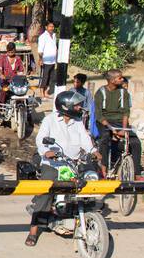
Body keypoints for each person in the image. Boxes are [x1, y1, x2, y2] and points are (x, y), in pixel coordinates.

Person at [25, 91, 99, 245]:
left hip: (72, 164)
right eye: (77, 105)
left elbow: (85, 140)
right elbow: (41, 139)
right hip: (53, 164)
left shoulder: (78, 122)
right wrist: (47, 152)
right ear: (67, 107)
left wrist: (94, 151)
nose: (80, 107)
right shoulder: (50, 120)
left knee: (87, 186)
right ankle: (33, 231)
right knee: (46, 192)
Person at [94, 69, 142, 173]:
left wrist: (124, 129)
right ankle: (104, 169)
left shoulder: (123, 92)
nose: (122, 79)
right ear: (112, 80)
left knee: (136, 143)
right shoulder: (100, 92)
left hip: (120, 122)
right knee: (105, 139)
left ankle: (137, 173)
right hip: (105, 122)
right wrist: (111, 129)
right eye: (119, 78)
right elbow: (98, 115)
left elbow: (125, 112)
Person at [36, 21, 59, 100]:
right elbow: (40, 50)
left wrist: (56, 59)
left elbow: (55, 47)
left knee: (51, 77)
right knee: (45, 77)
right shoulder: (43, 37)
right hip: (45, 60)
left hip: (53, 60)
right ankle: (42, 93)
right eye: (50, 26)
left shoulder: (54, 35)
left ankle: (46, 92)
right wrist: (40, 59)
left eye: (52, 26)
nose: (52, 28)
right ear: (46, 27)